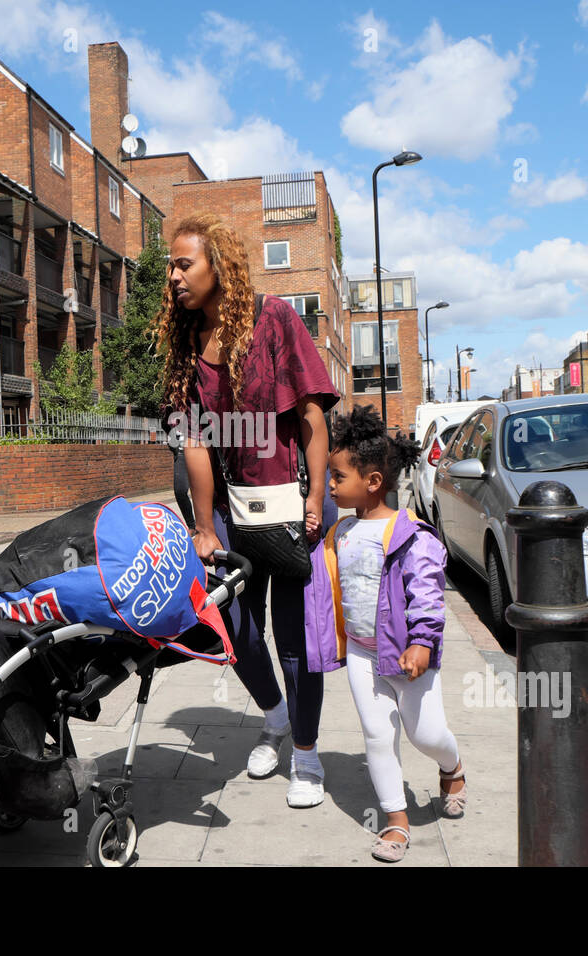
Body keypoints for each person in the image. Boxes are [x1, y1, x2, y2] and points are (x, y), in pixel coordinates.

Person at [158, 212, 339, 808]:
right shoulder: (187, 342)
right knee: (232, 631)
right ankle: (276, 716)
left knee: (295, 640)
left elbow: (312, 416)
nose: (174, 275)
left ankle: (307, 755)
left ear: (219, 265)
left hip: (291, 504)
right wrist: (204, 525)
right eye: (171, 265)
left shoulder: (275, 318)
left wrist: (317, 496)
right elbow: (194, 441)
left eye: (185, 264)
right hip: (232, 511)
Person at [305, 406, 466, 862]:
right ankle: (396, 821)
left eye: (337, 477)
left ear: (373, 482)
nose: (330, 484)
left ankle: (452, 768)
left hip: (407, 655)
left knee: (426, 734)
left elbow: (428, 594)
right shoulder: (342, 532)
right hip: (361, 653)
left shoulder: (411, 534)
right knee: (377, 734)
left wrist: (421, 641)